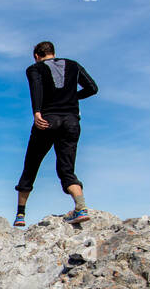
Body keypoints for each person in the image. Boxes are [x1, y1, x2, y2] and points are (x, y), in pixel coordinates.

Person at [14, 41, 98, 226]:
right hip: (71, 122)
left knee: (32, 163)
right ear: (53, 52)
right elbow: (92, 88)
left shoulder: (35, 69)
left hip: (46, 121)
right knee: (66, 169)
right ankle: (81, 208)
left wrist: (37, 112)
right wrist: (73, 96)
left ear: (37, 56)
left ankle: (20, 214)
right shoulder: (74, 65)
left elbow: (35, 88)